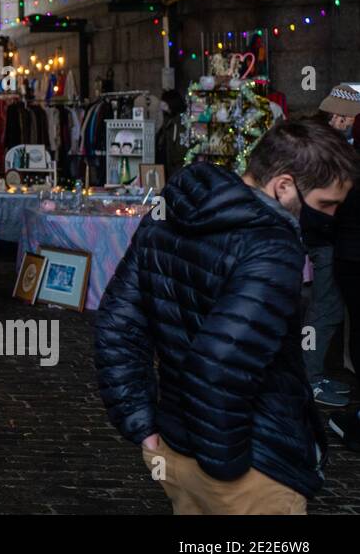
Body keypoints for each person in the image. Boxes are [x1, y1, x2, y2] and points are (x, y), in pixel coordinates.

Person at [95, 118, 359, 514]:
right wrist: (226, 465)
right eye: (326, 204)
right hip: (250, 467)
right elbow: (218, 364)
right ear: (284, 185)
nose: (332, 216)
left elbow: (118, 324)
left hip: (174, 448)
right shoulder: (273, 245)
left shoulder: (168, 210)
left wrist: (144, 429)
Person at [302, 85, 360, 406]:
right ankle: (309, 379)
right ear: (336, 116)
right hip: (325, 241)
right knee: (324, 311)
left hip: (325, 238)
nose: (351, 123)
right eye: (348, 118)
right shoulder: (326, 149)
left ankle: (313, 373)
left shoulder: (322, 143)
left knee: (326, 310)